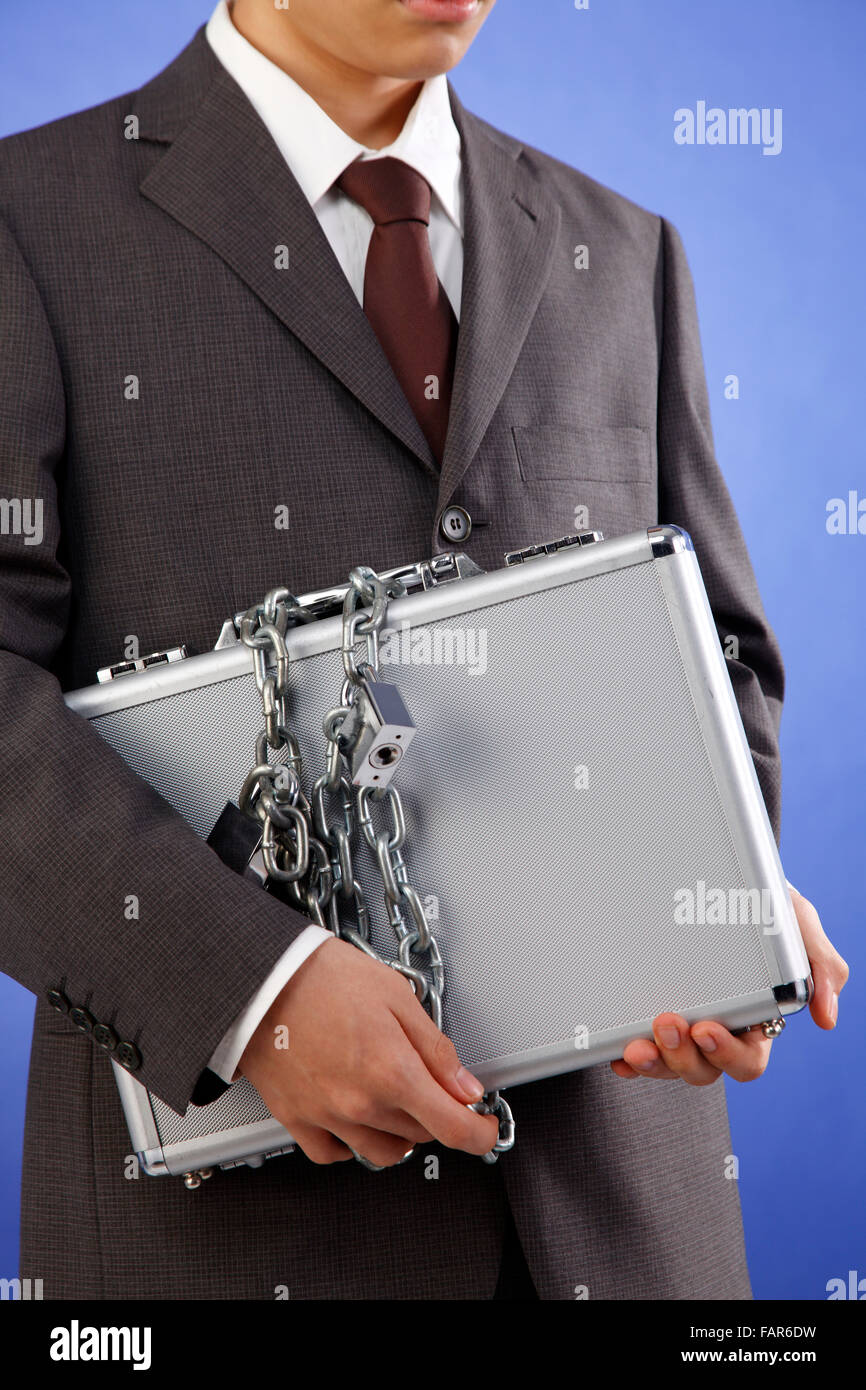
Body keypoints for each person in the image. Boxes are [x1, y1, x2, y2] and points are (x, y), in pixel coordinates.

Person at [0, 0, 847, 1301]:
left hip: (636, 1242)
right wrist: (254, 988)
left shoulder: (622, 250)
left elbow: (713, 649)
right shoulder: (28, 222)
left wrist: (710, 906)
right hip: (230, 1252)